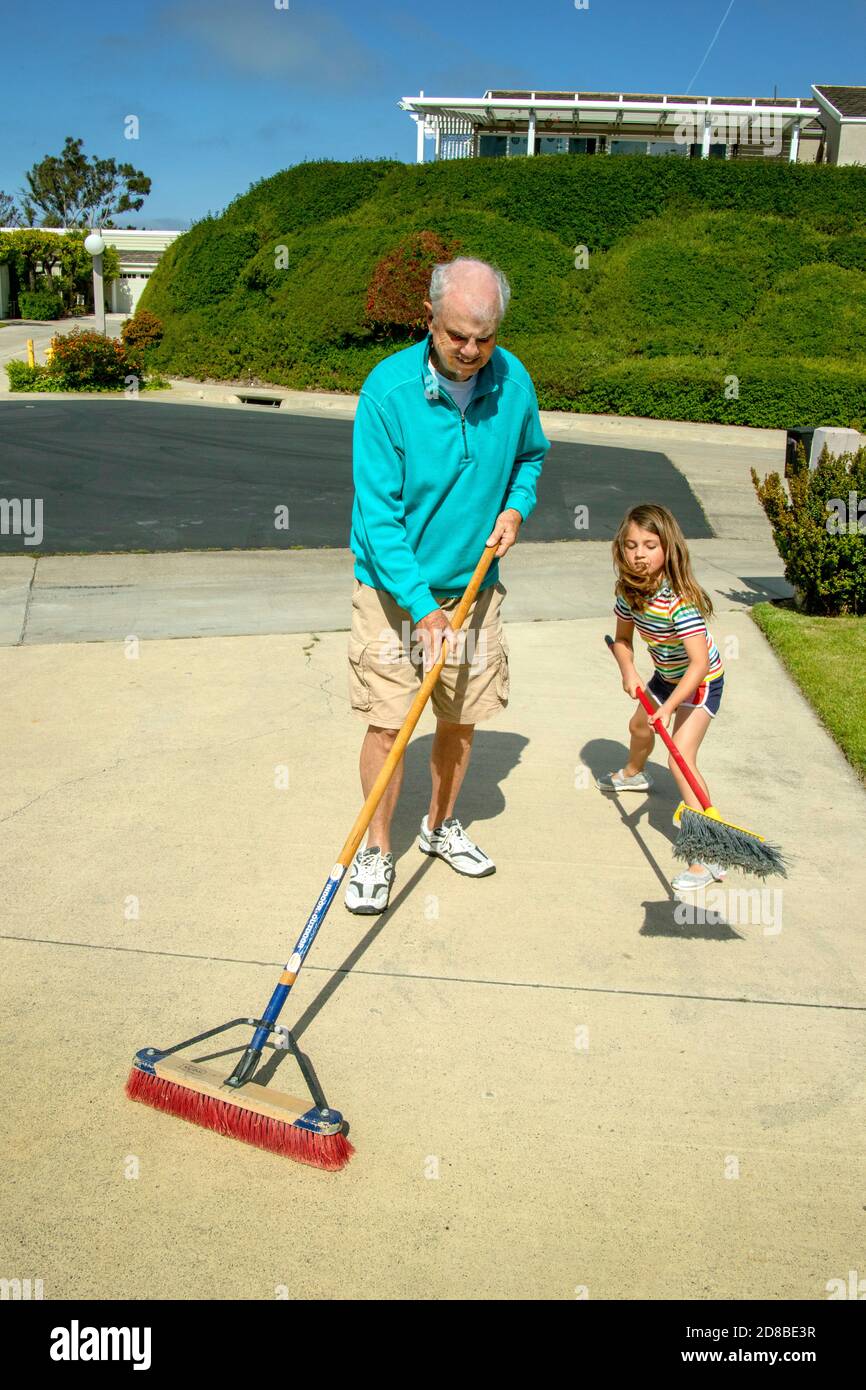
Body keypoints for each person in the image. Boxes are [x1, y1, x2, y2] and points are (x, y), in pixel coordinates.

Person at [345, 257, 551, 912]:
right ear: (428, 317)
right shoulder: (386, 393)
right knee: (390, 724)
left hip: (474, 589)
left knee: (460, 722)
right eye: (456, 334)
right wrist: (419, 609)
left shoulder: (513, 382)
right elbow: (378, 516)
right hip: (391, 594)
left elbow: (530, 455)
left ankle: (438, 826)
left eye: (484, 337)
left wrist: (517, 505)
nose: (470, 351)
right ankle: (377, 851)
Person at [599, 503, 727, 892]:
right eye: (631, 545)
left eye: (650, 545)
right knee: (639, 726)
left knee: (680, 757)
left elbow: (699, 664)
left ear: (668, 548)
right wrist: (628, 669)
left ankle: (707, 854)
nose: (640, 554)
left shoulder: (679, 602)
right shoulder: (629, 594)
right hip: (666, 677)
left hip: (699, 681)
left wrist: (669, 708)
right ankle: (635, 774)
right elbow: (621, 640)